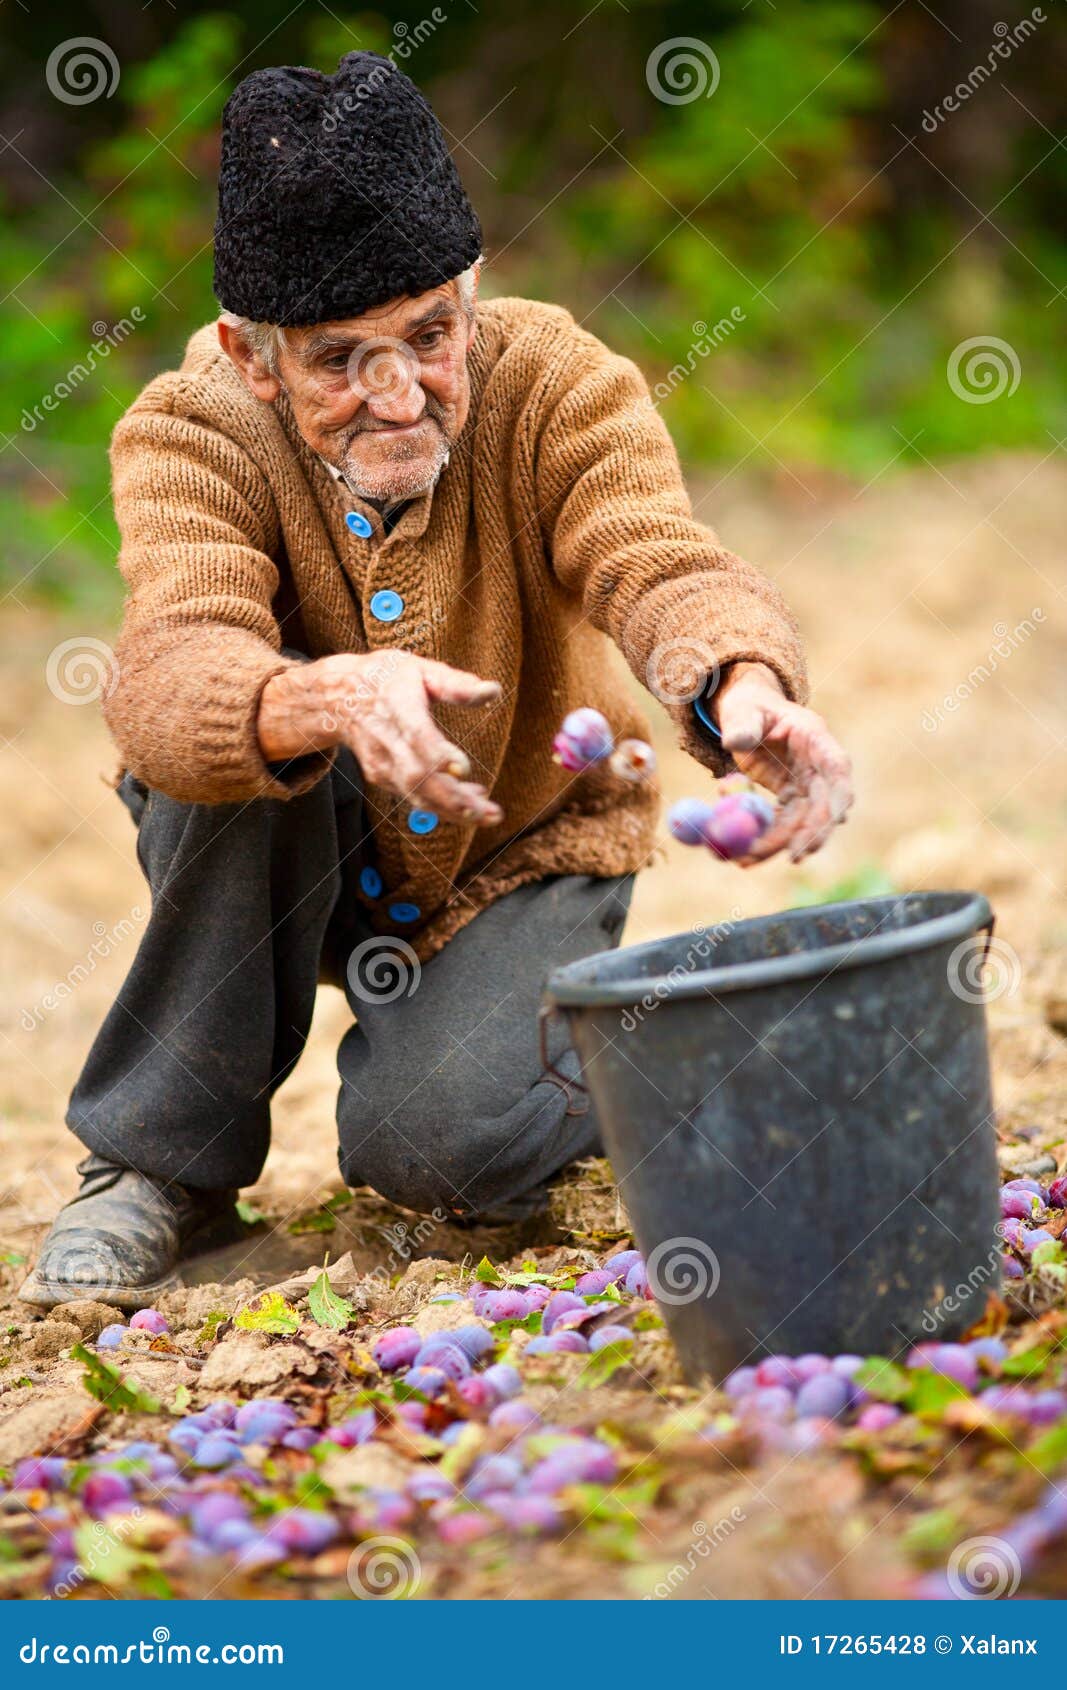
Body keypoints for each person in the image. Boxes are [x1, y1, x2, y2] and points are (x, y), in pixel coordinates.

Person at [21, 52, 852, 1310]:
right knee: (214, 749)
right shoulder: (193, 429)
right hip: (288, 842)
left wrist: (735, 681)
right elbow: (168, 665)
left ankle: (663, 1039)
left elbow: (653, 556)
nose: (399, 394)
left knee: (433, 1150)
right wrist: (325, 698)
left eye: (429, 334)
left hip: (517, 842)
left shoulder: (553, 383)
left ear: (470, 300)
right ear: (255, 357)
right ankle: (156, 1168)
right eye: (342, 359)